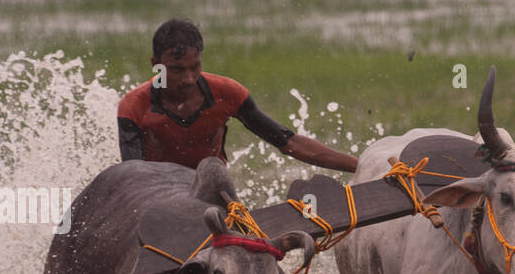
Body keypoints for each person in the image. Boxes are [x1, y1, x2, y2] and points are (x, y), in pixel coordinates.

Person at [117, 19, 358, 173]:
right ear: (156, 64)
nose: (189, 79)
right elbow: (134, 176)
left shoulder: (228, 93)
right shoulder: (135, 106)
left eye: (195, 67)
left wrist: (362, 166)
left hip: (210, 188)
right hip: (157, 191)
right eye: (177, 70)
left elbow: (290, 143)